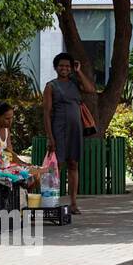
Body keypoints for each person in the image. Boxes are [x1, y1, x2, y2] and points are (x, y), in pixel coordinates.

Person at [42, 53, 96, 215]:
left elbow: (91, 89)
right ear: (56, 67)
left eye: (67, 66)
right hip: (58, 130)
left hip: (75, 130)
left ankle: (73, 203)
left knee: (73, 164)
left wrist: (78, 71)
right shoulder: (51, 86)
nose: (64, 68)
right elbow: (46, 113)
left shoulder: (75, 83)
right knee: (56, 166)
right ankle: (52, 202)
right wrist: (50, 137)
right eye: (61, 66)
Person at [0, 102, 27, 167]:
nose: (10, 121)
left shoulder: (6, 130)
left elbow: (10, 152)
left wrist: (23, 164)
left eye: (11, 118)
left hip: (3, 166)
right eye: (7, 118)